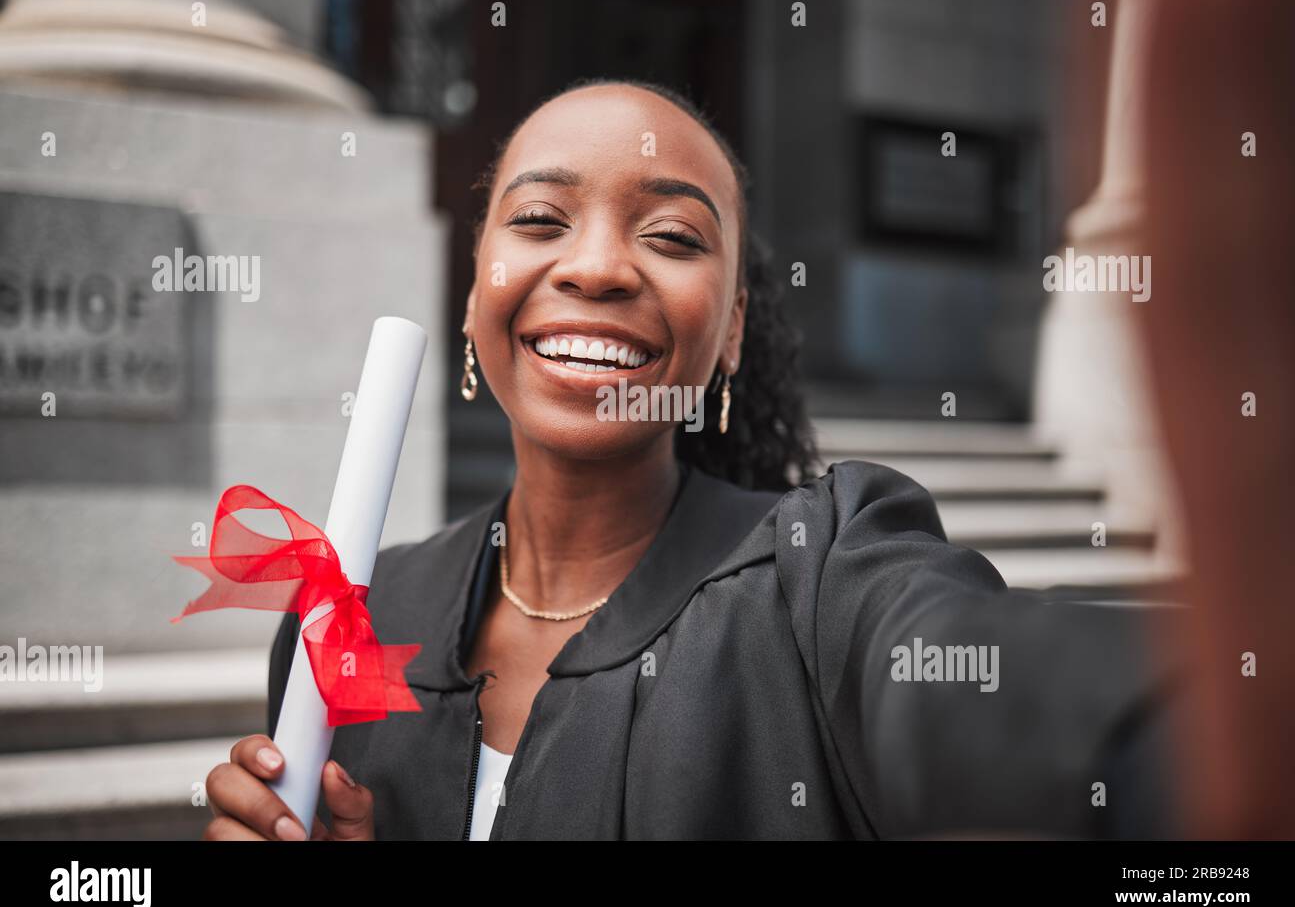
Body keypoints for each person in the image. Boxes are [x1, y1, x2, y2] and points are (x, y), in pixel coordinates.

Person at [203, 78, 1181, 841]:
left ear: (732, 334)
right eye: (539, 220)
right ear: (474, 300)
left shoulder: (824, 574)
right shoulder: (352, 620)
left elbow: (990, 691)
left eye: (671, 235)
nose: (594, 267)